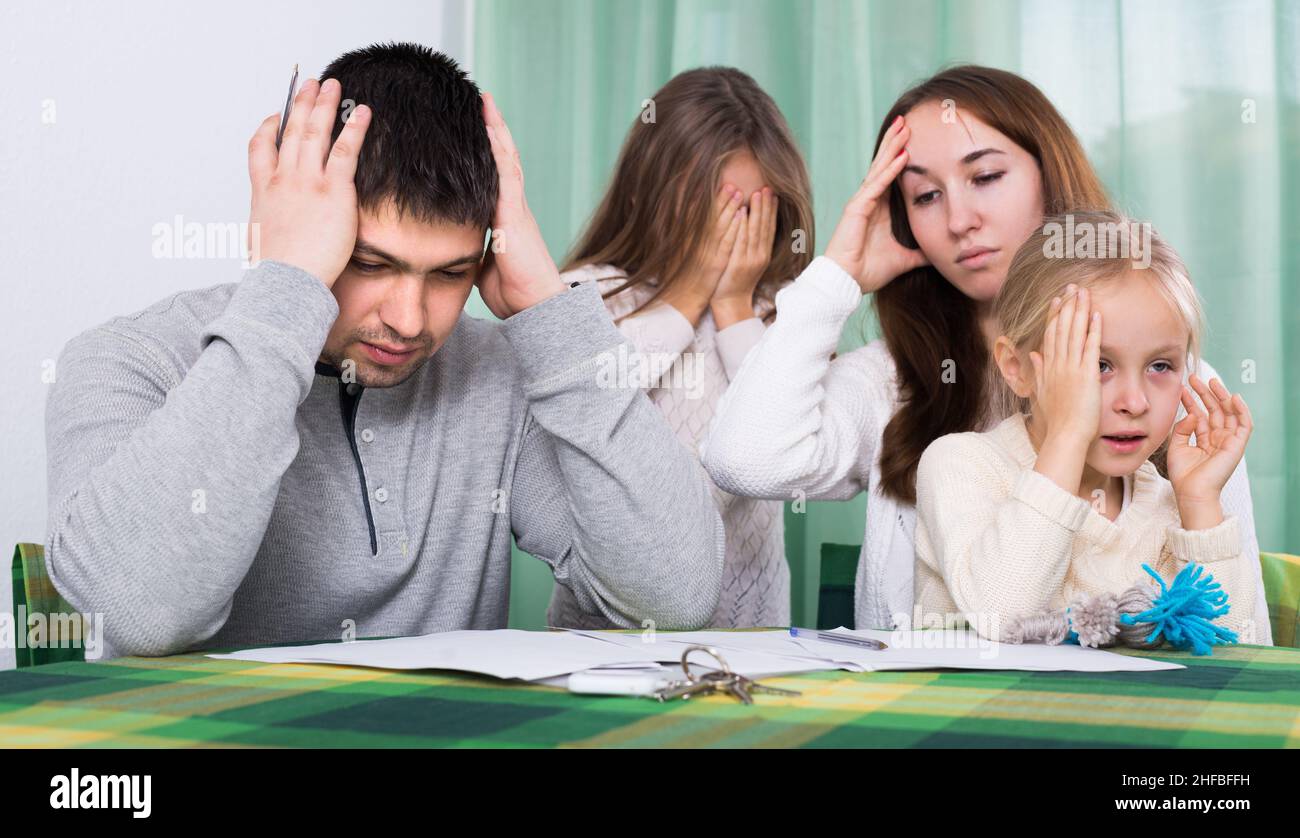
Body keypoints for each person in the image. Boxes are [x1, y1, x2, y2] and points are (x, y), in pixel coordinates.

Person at [43, 43, 724, 659]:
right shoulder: (128, 360)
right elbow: (139, 614)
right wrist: (287, 288)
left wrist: (551, 310)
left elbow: (671, 601)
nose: (407, 321)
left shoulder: (498, 376)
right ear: (294, 221)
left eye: (451, 274)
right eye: (369, 262)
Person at [702, 65, 1270, 642]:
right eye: (925, 196)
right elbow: (744, 458)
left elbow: (1239, 639)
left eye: (986, 176)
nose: (958, 220)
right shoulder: (892, 382)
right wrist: (838, 274)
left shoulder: (1177, 392)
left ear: (1050, 177)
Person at [548, 67, 814, 629]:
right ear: (651, 189)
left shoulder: (779, 309)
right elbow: (585, 403)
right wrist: (688, 295)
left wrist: (736, 308)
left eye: (745, 211)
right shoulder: (591, 292)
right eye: (708, 206)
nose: (724, 230)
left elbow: (786, 440)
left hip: (753, 637)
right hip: (609, 633)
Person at [914, 210, 1257, 643]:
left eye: (1160, 365)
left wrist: (1199, 503)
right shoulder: (961, 464)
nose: (1134, 402)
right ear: (1017, 368)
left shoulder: (1171, 507)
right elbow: (1002, 615)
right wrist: (1068, 434)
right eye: (1098, 365)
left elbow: (1238, 653)